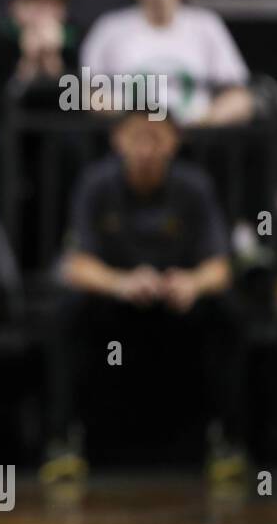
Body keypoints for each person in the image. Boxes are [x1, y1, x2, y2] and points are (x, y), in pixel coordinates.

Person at [49, 110, 242, 479]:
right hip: (116, 305)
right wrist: (121, 284)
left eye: (158, 137)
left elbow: (220, 268)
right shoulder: (96, 183)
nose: (147, 148)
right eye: (138, 136)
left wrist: (191, 283)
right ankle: (63, 442)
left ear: (174, 142)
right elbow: (75, 266)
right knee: (67, 313)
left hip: (177, 306)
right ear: (118, 140)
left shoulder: (194, 186)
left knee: (227, 314)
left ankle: (228, 441)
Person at [80, 0, 252, 125]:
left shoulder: (207, 25)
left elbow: (239, 96)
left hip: (195, 143)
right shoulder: (109, 27)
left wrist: (200, 125)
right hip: (127, 143)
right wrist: (134, 126)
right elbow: (88, 93)